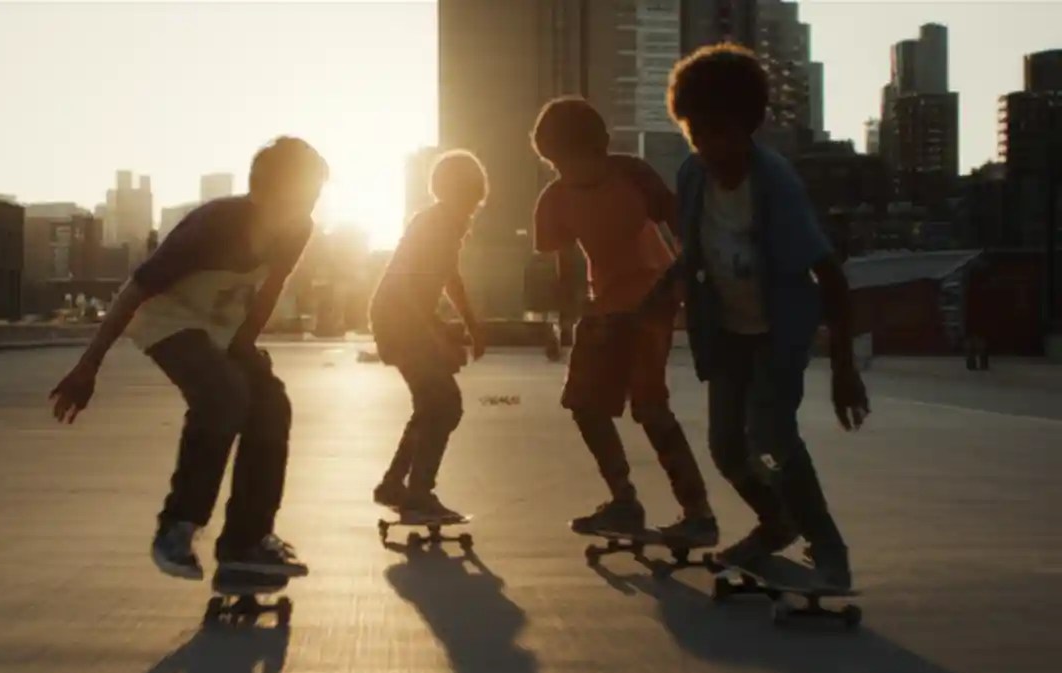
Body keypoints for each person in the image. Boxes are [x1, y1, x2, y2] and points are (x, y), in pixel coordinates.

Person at [48, 136, 328, 583]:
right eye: (299, 199)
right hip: (165, 318)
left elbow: (271, 288)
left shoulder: (300, 227)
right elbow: (134, 292)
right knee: (223, 395)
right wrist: (89, 366)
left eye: (313, 198)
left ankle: (246, 540)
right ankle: (177, 527)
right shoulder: (214, 224)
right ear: (264, 193)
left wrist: (246, 346)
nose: (306, 211)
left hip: (221, 326)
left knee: (271, 405)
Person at [667, 43, 870, 590]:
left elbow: (829, 275)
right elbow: (690, 255)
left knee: (774, 436)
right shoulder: (691, 178)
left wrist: (845, 371)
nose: (712, 148)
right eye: (699, 133)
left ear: (750, 127)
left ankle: (829, 553)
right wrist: (648, 304)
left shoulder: (774, 183)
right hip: (726, 332)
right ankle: (774, 522)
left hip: (779, 331)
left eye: (724, 134)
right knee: (727, 447)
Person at [531, 97, 719, 546]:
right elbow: (564, 260)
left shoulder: (632, 173)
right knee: (582, 402)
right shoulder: (555, 197)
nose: (564, 174)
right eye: (554, 164)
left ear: (599, 149)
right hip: (605, 304)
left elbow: (682, 226)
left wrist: (690, 287)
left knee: (650, 407)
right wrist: (561, 319)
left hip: (653, 296)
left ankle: (698, 513)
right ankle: (624, 502)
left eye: (569, 162)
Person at [369, 150, 488, 522]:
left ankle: (394, 484)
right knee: (443, 403)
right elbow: (405, 285)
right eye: (469, 195)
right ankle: (418, 494)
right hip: (400, 318)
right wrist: (431, 334)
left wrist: (471, 322)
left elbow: (449, 276)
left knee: (432, 404)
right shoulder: (436, 223)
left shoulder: (445, 222)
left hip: (404, 318)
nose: (472, 206)